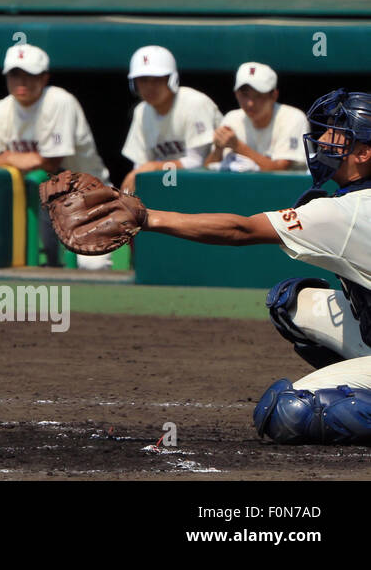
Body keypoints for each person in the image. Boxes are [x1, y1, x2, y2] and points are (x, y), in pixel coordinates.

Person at [135, 90, 371, 445]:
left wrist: (147, 217)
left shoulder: (348, 211)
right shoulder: (351, 204)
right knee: (290, 303)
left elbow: (240, 229)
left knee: (288, 411)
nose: (322, 139)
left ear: (364, 153)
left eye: (337, 133)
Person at [0, 43, 109, 269]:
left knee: (91, 265)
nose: (21, 82)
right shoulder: (2, 108)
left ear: (44, 78)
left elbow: (51, 162)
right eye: (15, 75)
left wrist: (7, 157)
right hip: (34, 204)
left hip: (88, 198)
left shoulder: (59, 101)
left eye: (29, 75)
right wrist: (11, 157)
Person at [121, 45, 224, 195]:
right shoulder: (141, 111)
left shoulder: (194, 102)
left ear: (172, 79)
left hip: (215, 186)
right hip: (172, 184)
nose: (149, 87)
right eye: (143, 80)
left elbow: (198, 163)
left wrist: (154, 167)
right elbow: (140, 166)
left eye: (157, 80)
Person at [208, 63, 308, 173]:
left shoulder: (293, 118)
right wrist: (218, 149)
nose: (250, 103)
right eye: (244, 94)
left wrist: (237, 146)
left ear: (274, 96)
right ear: (236, 94)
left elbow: (281, 169)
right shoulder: (231, 118)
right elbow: (208, 170)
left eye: (258, 95)